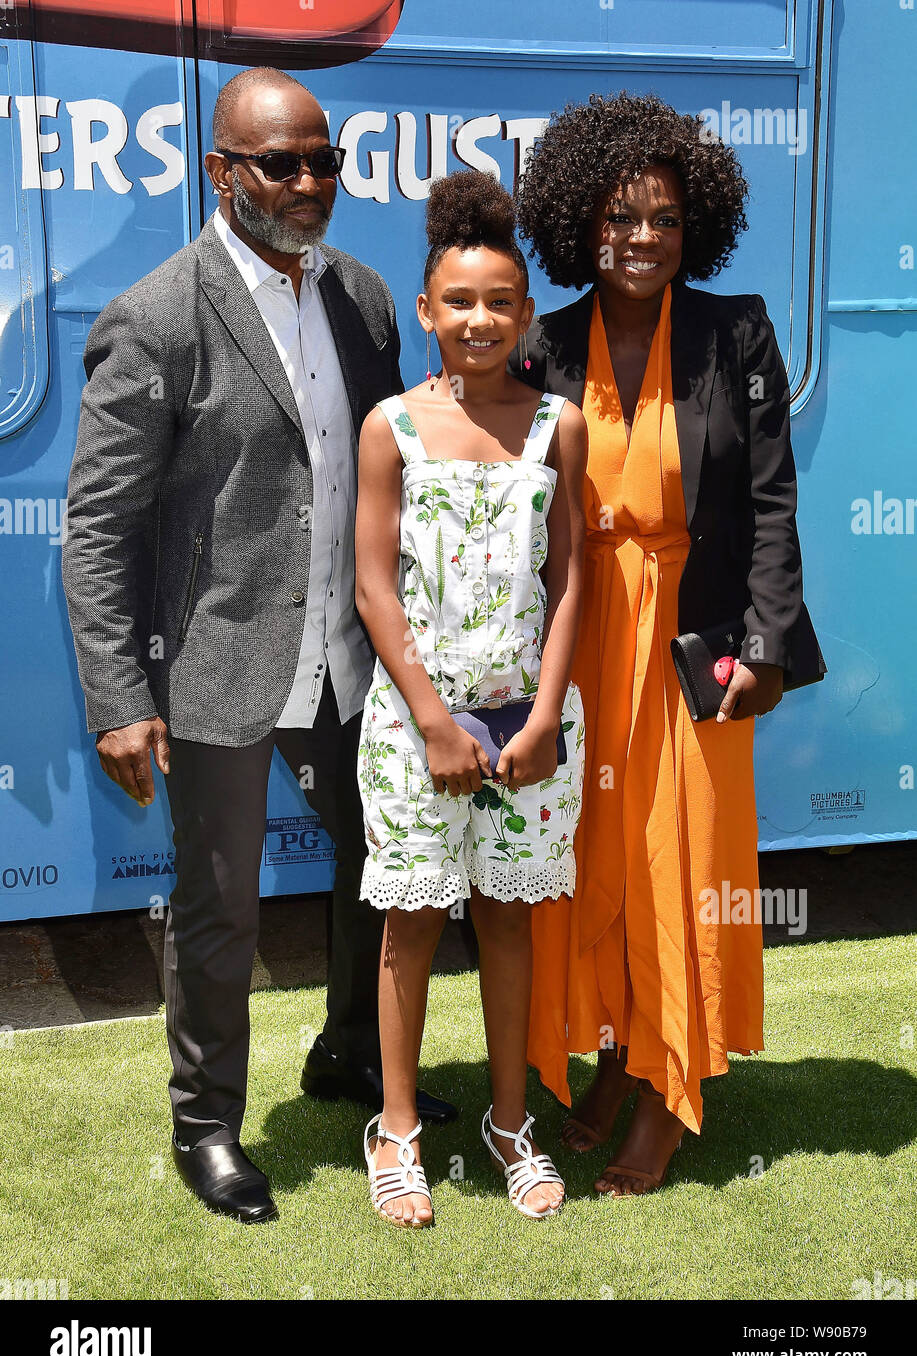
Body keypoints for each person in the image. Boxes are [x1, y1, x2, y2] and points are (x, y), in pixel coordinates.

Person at [61, 66, 453, 1226]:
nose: (307, 182)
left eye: (323, 160)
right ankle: (207, 1126)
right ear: (220, 171)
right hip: (222, 662)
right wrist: (118, 695)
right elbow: (99, 525)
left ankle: (344, 1053)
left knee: (380, 869)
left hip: (354, 654)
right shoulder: (159, 314)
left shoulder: (367, 299)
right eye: (278, 162)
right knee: (220, 906)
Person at [510, 92, 824, 1195]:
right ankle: (611, 1054)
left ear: (696, 231)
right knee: (589, 862)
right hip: (578, 636)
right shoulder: (541, 346)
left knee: (677, 866)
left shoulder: (734, 332)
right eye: (618, 216)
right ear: (574, 222)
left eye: (664, 220)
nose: (642, 237)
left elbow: (773, 500)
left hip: (694, 641)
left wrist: (766, 643)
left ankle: (664, 1092)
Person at [354, 170, 588, 1226]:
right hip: (417, 727)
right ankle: (395, 1130)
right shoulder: (390, 427)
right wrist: (435, 723)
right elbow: (369, 584)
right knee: (408, 925)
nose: (480, 319)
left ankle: (508, 1125)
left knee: (505, 920)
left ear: (525, 312)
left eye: (500, 300)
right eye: (459, 300)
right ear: (425, 309)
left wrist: (541, 715)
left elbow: (571, 575)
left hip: (524, 723)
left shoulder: (557, 427)